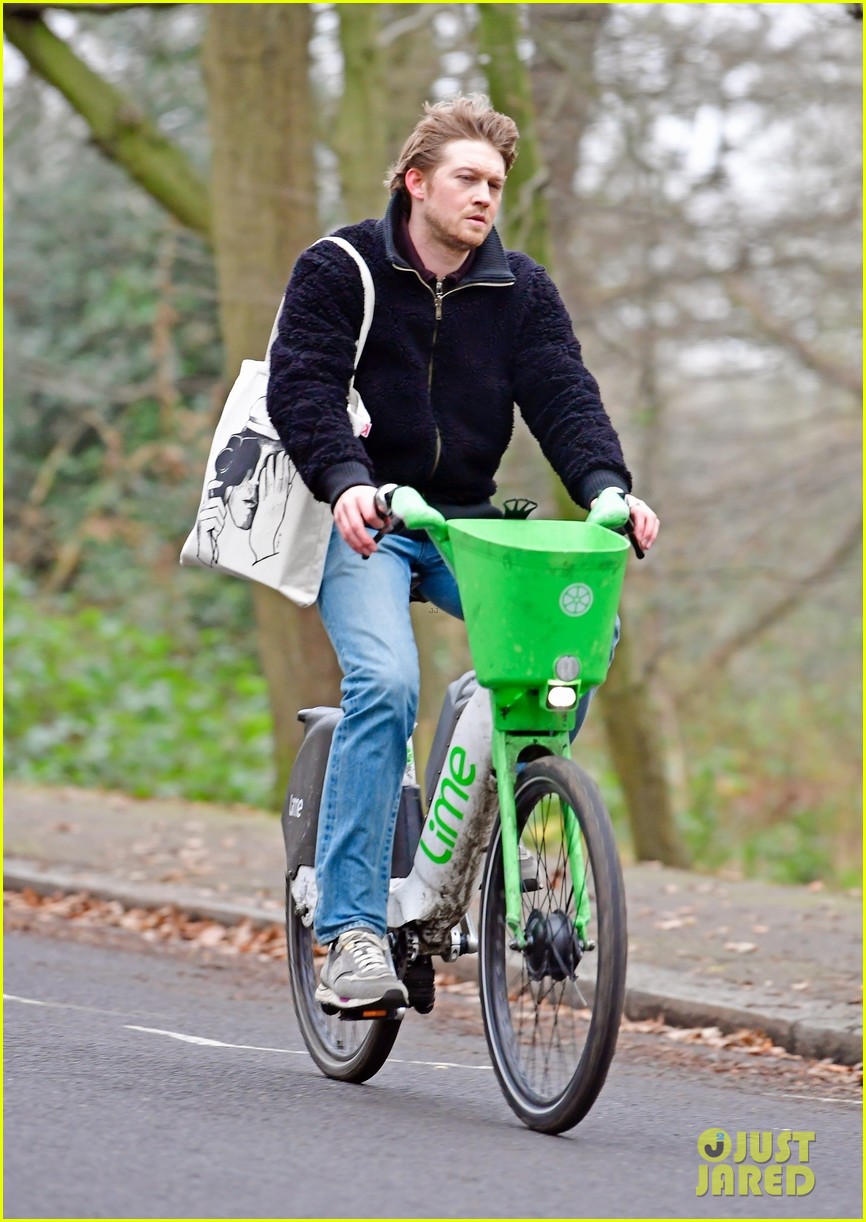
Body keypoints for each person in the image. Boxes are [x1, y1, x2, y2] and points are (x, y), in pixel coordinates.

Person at [266, 94, 659, 1012]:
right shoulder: (341, 269)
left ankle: (461, 842)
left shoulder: (518, 288)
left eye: (496, 184)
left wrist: (607, 486)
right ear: (416, 182)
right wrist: (346, 479)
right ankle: (351, 931)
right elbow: (304, 388)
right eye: (468, 180)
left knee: (572, 649)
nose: (485, 198)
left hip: (467, 525)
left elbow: (563, 394)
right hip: (366, 517)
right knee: (385, 684)